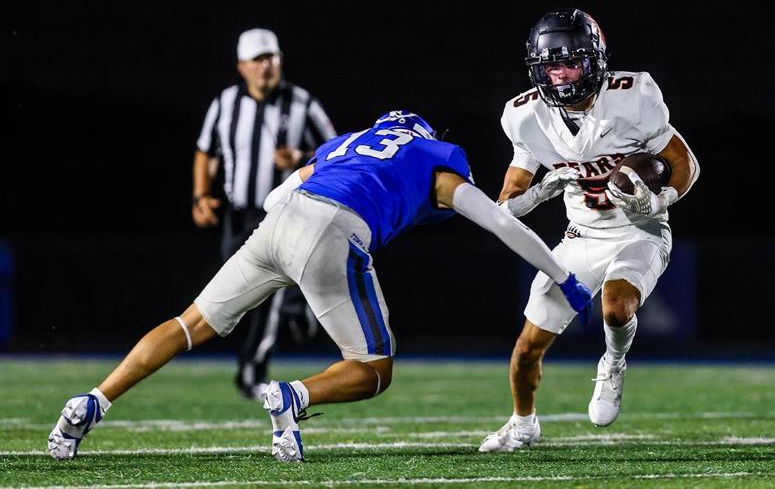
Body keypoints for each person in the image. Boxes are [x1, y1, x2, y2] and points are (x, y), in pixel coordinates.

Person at [47, 110, 593, 462]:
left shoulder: (346, 145)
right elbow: (497, 220)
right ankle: (292, 397)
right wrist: (562, 275)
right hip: (334, 230)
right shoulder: (434, 160)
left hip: (281, 222)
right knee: (374, 369)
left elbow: (273, 199)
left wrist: (289, 256)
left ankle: (92, 401)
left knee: (187, 324)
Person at [478, 9, 700, 453]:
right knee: (526, 350)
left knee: (616, 308)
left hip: (639, 229)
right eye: (550, 66)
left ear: (594, 60)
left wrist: (659, 201)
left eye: (570, 63)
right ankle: (523, 424)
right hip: (580, 236)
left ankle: (613, 363)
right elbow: (505, 206)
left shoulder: (633, 95)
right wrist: (538, 193)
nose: (560, 75)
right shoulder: (524, 115)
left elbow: (685, 163)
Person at [192, 28, 337, 400]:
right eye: (257, 60)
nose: (266, 66)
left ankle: (253, 368)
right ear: (242, 66)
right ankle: (297, 304)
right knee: (235, 294)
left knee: (266, 289)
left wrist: (300, 157)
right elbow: (206, 151)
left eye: (270, 58)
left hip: (285, 215)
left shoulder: (303, 103)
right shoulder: (225, 103)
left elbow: (337, 153)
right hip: (238, 214)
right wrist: (200, 196)